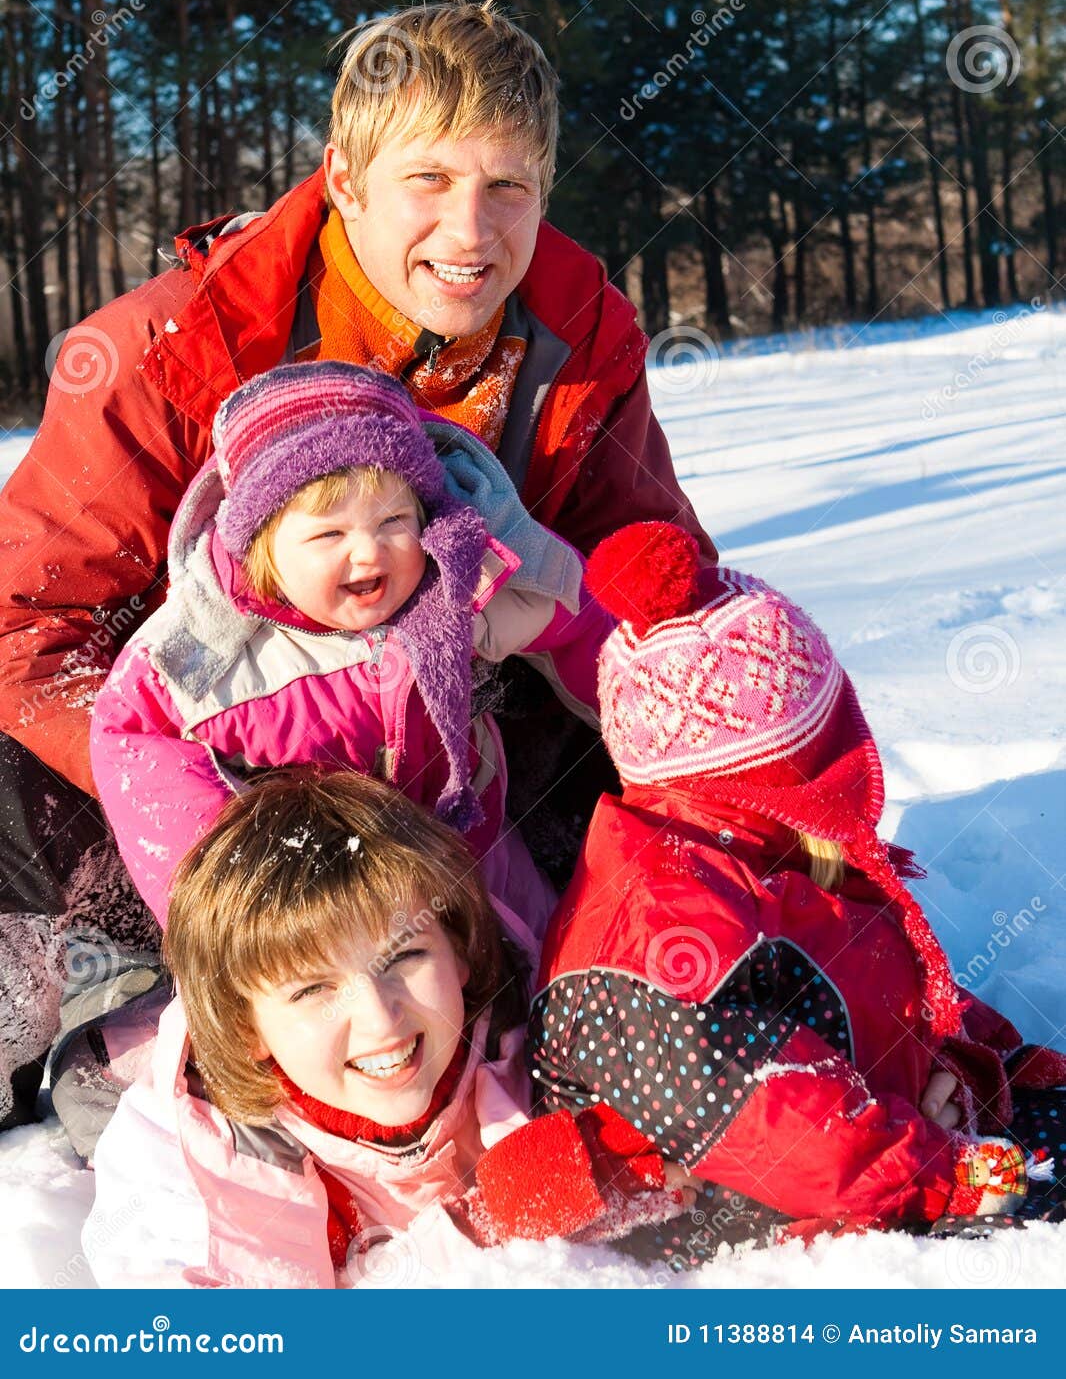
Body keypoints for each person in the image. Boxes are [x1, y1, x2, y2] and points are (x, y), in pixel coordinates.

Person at [0, 0, 716, 1128]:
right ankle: (112, 997)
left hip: (458, 744)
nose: (470, 232)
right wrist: (227, 815)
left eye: (508, 187)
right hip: (215, 742)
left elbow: (648, 569)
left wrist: (724, 723)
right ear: (343, 178)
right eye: (428, 180)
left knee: (666, 808)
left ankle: (633, 1021)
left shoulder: (578, 334)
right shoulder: (173, 345)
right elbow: (24, 625)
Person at [527, 522, 1066, 1268]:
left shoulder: (764, 856)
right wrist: (953, 1170)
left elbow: (868, 988)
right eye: (832, 749)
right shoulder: (655, 929)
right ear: (783, 770)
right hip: (760, 1235)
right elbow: (777, 1122)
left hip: (887, 1156)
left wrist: (974, 1061)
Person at [83, 771, 694, 1288]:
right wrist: (490, 1221)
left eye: (404, 957)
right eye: (313, 990)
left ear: (459, 950)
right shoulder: (193, 1159)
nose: (381, 1017)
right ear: (249, 1029)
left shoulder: (552, 1029)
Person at [89, 359, 608, 934]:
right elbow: (131, 731)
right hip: (322, 909)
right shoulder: (211, 652)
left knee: (545, 951)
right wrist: (225, 898)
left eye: (393, 521)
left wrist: (655, 707)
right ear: (260, 547)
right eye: (329, 534)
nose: (369, 552)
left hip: (475, 860)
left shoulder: (460, 589)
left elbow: (582, 620)